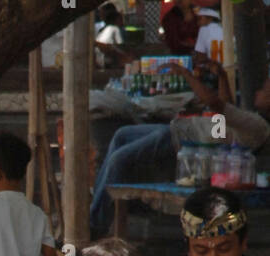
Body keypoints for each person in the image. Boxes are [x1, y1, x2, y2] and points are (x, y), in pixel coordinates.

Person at [88, 59, 269, 240]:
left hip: (181, 139)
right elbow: (225, 108)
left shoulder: (258, 126)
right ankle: (95, 210)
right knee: (122, 134)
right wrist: (221, 76)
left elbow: (214, 103)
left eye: (264, 89)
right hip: (177, 129)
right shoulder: (253, 121)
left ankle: (96, 226)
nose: (258, 91)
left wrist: (185, 74)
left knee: (118, 159)